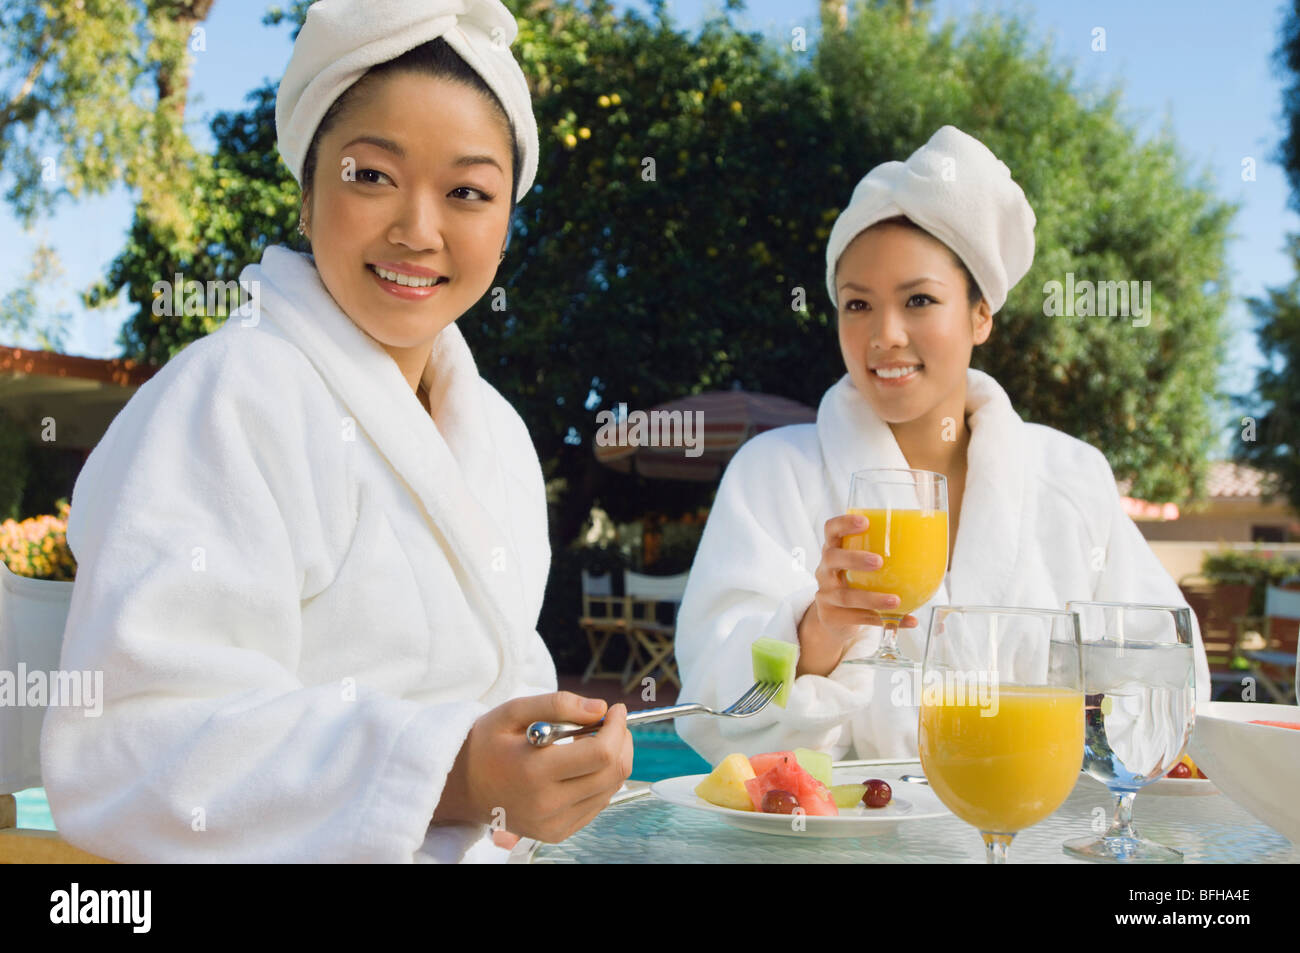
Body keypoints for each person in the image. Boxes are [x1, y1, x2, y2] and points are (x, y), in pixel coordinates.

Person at [40, 0, 632, 863]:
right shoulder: (227, 395)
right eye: (372, 175)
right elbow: (132, 743)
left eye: (467, 192)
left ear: (507, 223)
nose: (417, 229)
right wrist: (452, 773)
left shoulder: (498, 437)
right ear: (307, 190)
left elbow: (502, 689)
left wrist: (549, 756)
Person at [674, 125, 1211, 765]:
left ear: (981, 316)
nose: (885, 334)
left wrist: (1085, 751)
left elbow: (1169, 672)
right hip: (844, 825)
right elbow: (710, 707)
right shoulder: (773, 473)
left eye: (919, 300)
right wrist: (817, 632)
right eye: (857, 305)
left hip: (1039, 819)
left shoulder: (1070, 475)